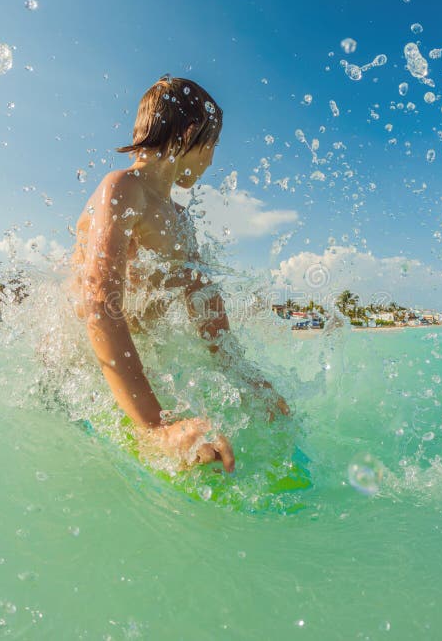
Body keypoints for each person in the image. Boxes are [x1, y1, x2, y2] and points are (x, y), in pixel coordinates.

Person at [71, 76, 288, 474]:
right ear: (191, 135)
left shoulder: (180, 218)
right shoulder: (121, 188)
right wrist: (157, 428)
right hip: (85, 362)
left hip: (134, 359)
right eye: (212, 146)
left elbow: (206, 306)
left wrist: (247, 378)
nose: (211, 161)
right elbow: (99, 304)